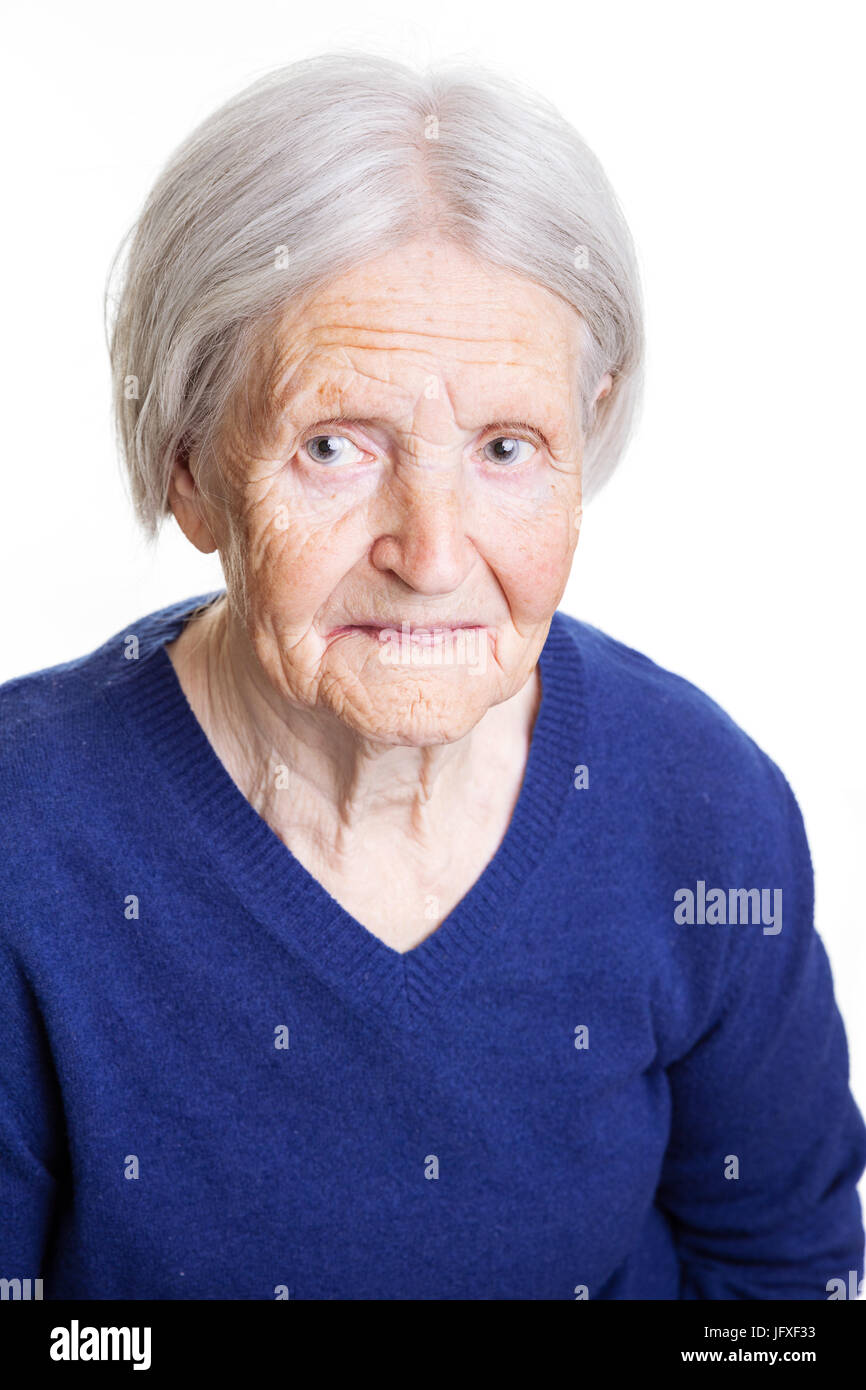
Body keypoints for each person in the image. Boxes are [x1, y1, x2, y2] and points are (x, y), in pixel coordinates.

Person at [1, 51, 863, 1299]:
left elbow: (781, 1289)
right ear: (189, 464)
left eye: (507, 447)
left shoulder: (703, 809)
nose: (433, 553)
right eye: (336, 446)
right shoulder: (27, 835)